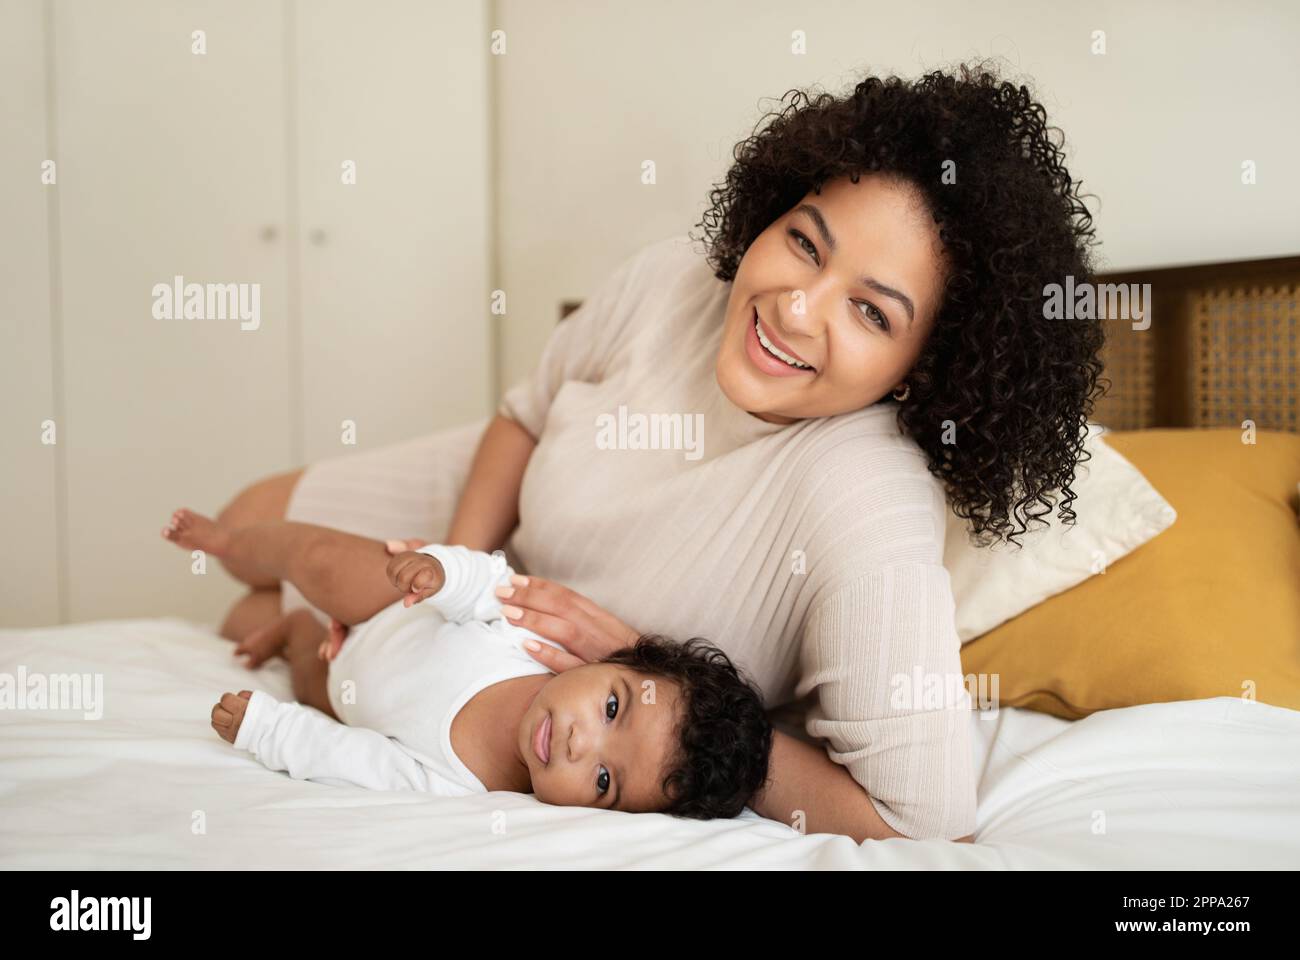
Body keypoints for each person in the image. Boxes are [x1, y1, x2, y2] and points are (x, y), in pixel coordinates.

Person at [208, 63, 1104, 843]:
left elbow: (924, 825)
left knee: (249, 620)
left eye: (871, 313)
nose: (797, 308)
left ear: (926, 368)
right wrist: (447, 578)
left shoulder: (864, 500)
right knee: (247, 524)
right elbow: (525, 415)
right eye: (803, 242)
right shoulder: (674, 278)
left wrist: (652, 664)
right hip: (514, 511)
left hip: (533, 630)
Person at [163, 508, 772, 819]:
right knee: (321, 560)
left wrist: (269, 729)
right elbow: (491, 585)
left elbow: (354, 759)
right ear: (616, 658)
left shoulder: (465, 786)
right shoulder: (533, 645)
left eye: (604, 782)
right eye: (612, 707)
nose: (580, 745)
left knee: (309, 679)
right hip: (395, 601)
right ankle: (230, 541)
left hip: (346, 686)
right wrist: (442, 573)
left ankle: (295, 633)